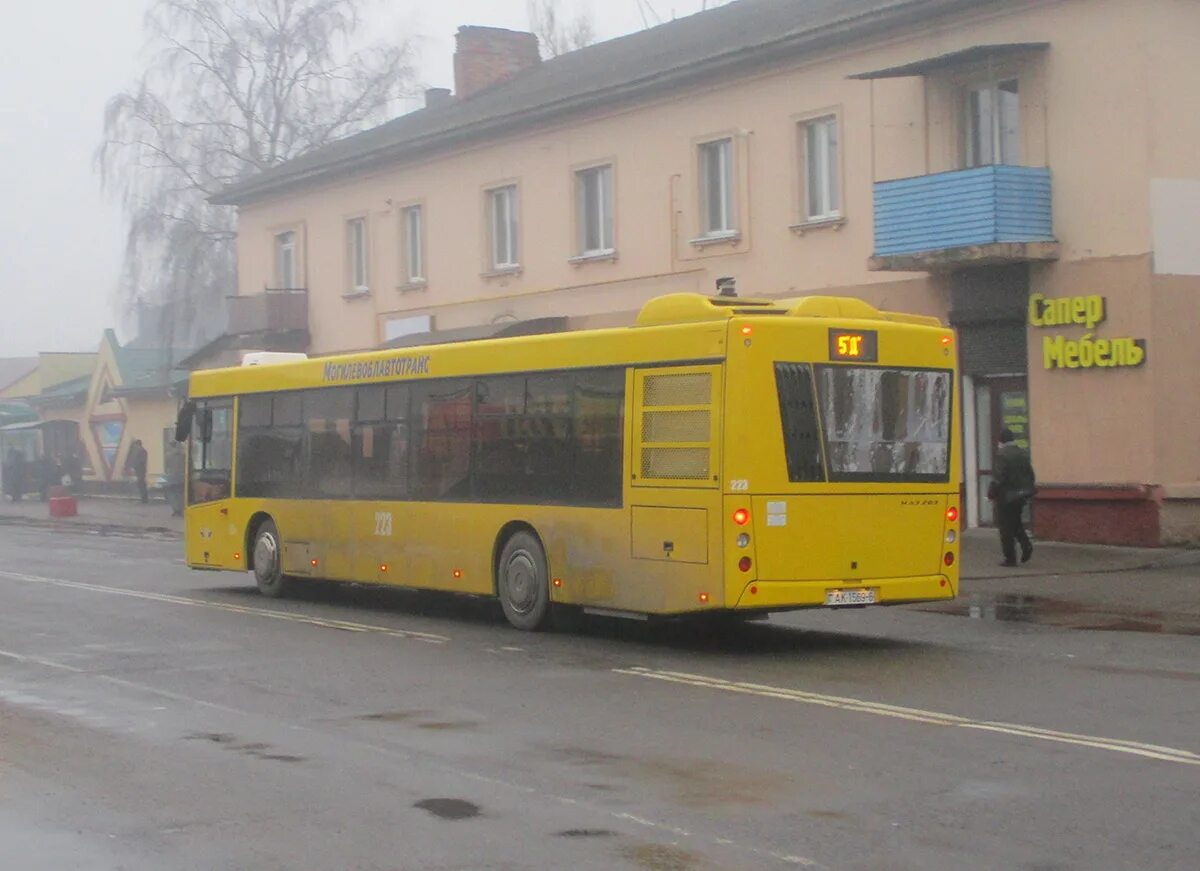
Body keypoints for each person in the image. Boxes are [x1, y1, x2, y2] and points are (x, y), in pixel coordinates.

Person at [989, 428, 1036, 567]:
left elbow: (999, 477)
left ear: (1001, 441)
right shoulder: (1022, 453)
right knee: (1016, 523)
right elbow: (1030, 474)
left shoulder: (1002, 455)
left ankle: (1010, 558)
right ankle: (1026, 545)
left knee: (1005, 527)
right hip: (1021, 495)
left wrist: (992, 492)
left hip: (1006, 496)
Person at [126, 439, 150, 504]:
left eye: (135, 445)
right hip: (140, 470)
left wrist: (134, 467)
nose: (135, 447)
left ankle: (144, 499)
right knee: (140, 485)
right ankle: (143, 499)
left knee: (142, 485)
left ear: (138, 444)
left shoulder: (142, 451)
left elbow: (141, 461)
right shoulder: (141, 451)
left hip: (141, 470)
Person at [164, 442, 185, 516]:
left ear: (172, 447)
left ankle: (176, 510)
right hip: (182, 478)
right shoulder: (184, 455)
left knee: (172, 494)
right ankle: (181, 509)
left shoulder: (168, 455)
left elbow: (166, 467)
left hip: (172, 477)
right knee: (180, 494)